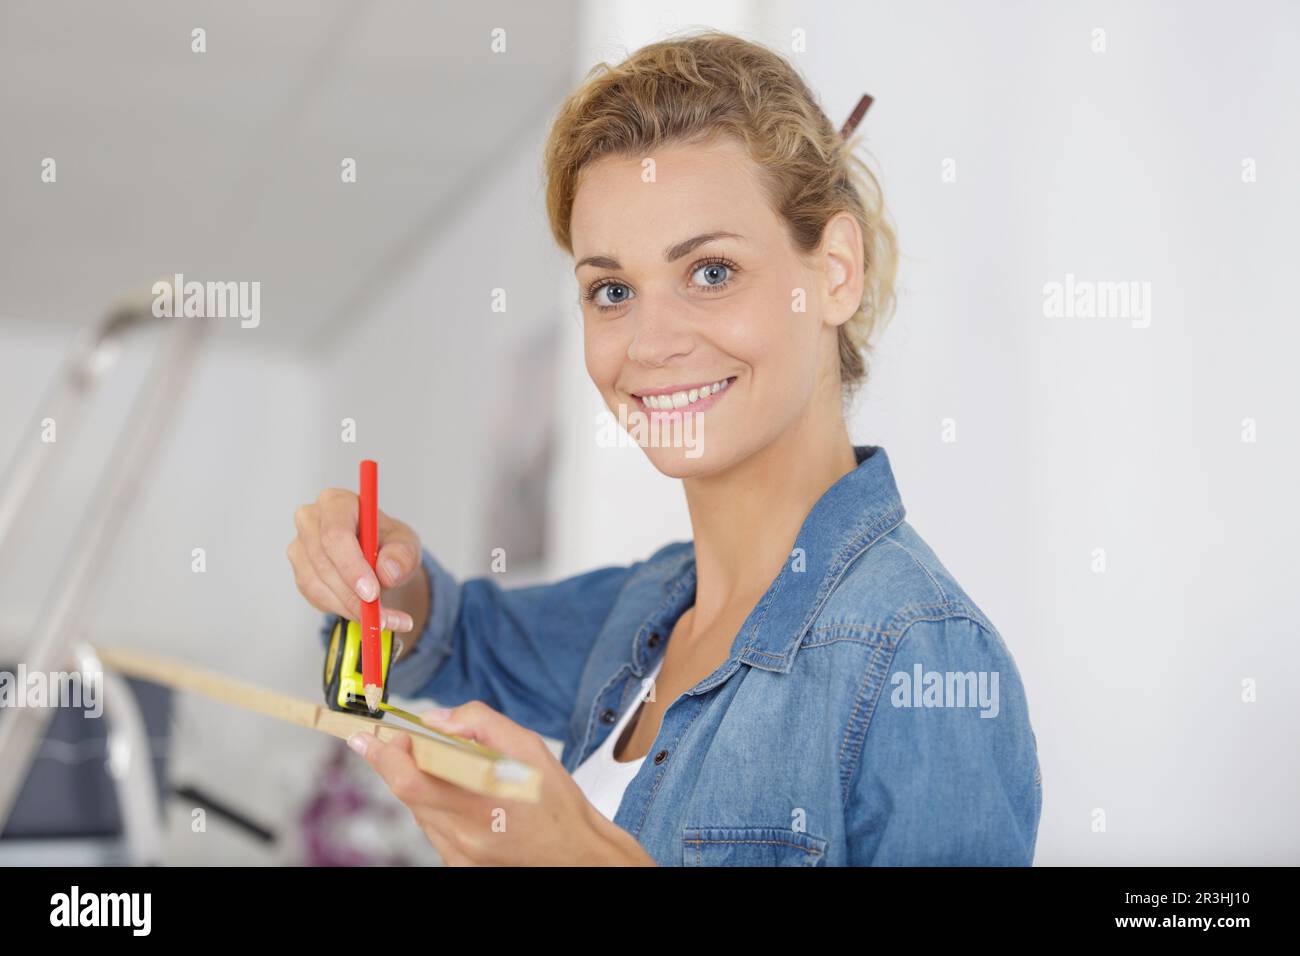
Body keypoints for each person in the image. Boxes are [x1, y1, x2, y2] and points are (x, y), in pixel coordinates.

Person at [286, 29, 1041, 866]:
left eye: (711, 272)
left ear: (834, 272)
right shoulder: (641, 611)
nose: (648, 344)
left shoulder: (919, 651)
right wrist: (382, 578)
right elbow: (455, 637)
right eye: (611, 291)